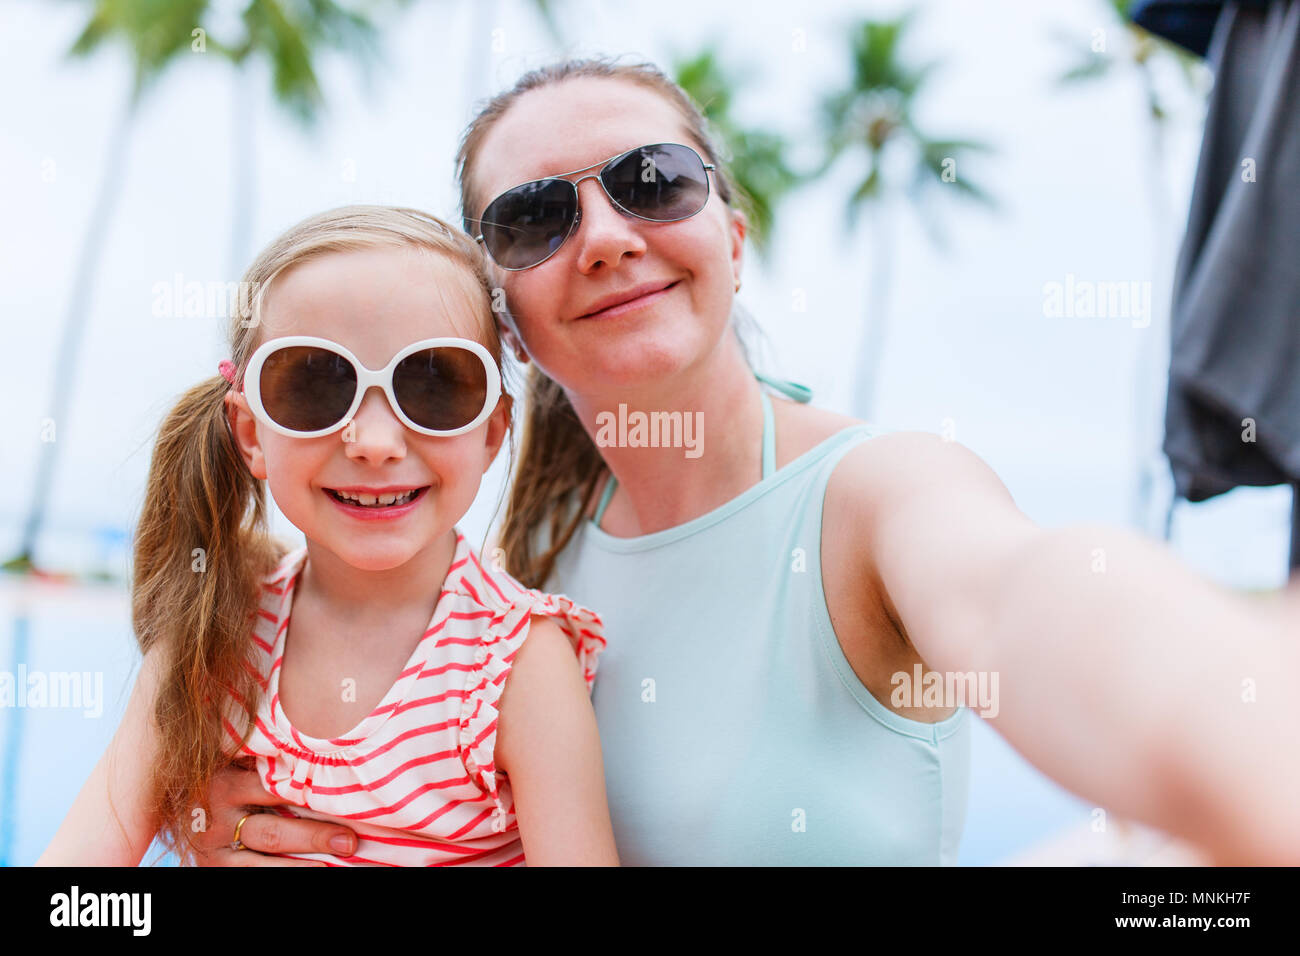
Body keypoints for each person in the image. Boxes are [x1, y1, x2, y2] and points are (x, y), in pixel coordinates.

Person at [197, 59, 1300, 866]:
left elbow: (1023, 594)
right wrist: (223, 816)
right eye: (534, 216)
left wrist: (1241, 721)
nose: (604, 233)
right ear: (509, 326)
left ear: (732, 231)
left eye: (653, 179)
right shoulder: (527, 566)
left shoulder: (876, 496)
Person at [36, 206, 618, 867]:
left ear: (491, 432)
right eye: (315, 385)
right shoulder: (211, 633)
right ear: (252, 433)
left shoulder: (517, 668)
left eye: (434, 385)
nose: (373, 442)